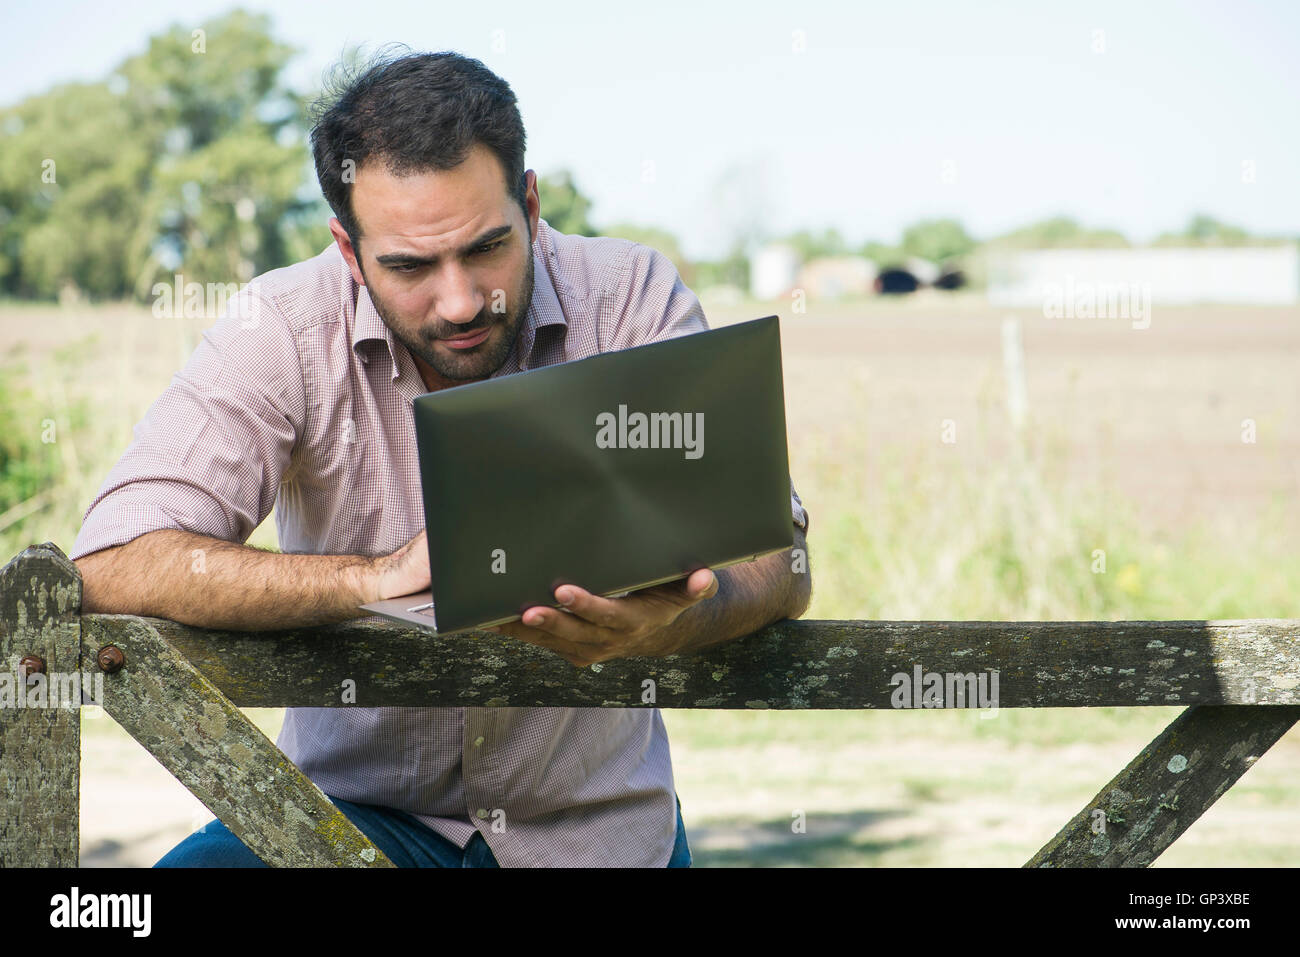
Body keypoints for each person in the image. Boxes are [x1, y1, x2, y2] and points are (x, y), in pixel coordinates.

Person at [70, 48, 812, 868]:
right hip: (344, 822)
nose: (460, 301)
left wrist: (668, 625)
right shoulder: (281, 325)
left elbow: (784, 557)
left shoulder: (631, 296)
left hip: (596, 835)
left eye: (487, 246)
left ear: (528, 203)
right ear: (349, 252)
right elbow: (112, 557)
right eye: (410, 266)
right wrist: (366, 578)